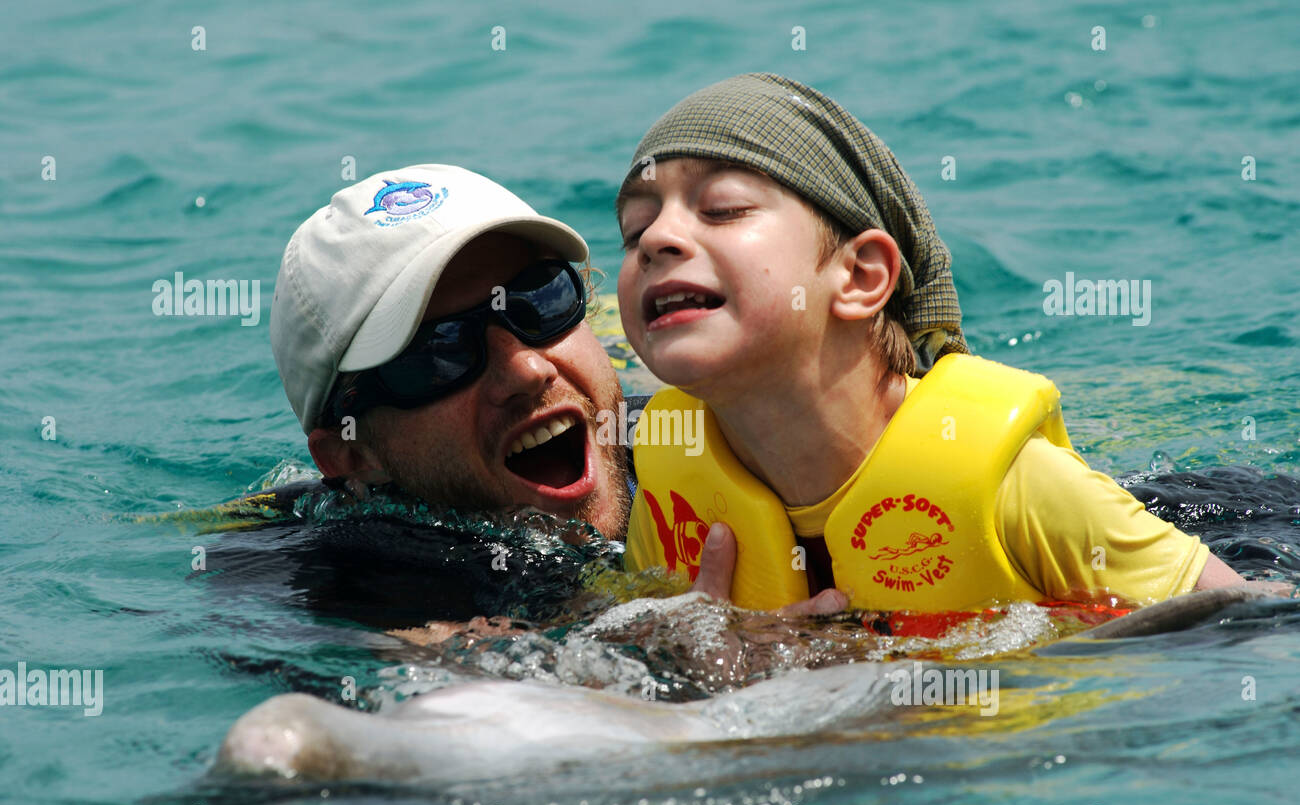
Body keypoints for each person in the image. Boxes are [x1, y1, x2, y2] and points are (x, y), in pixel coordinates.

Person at [616, 73, 1259, 611]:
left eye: (723, 207)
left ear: (862, 277)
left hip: (1245, 513)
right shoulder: (670, 497)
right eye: (635, 226)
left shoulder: (1023, 487)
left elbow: (1250, 630)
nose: (654, 238)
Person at [268, 163, 631, 542]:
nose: (528, 369)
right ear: (352, 457)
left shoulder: (680, 431)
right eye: (441, 353)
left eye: (542, 300)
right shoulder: (345, 593)